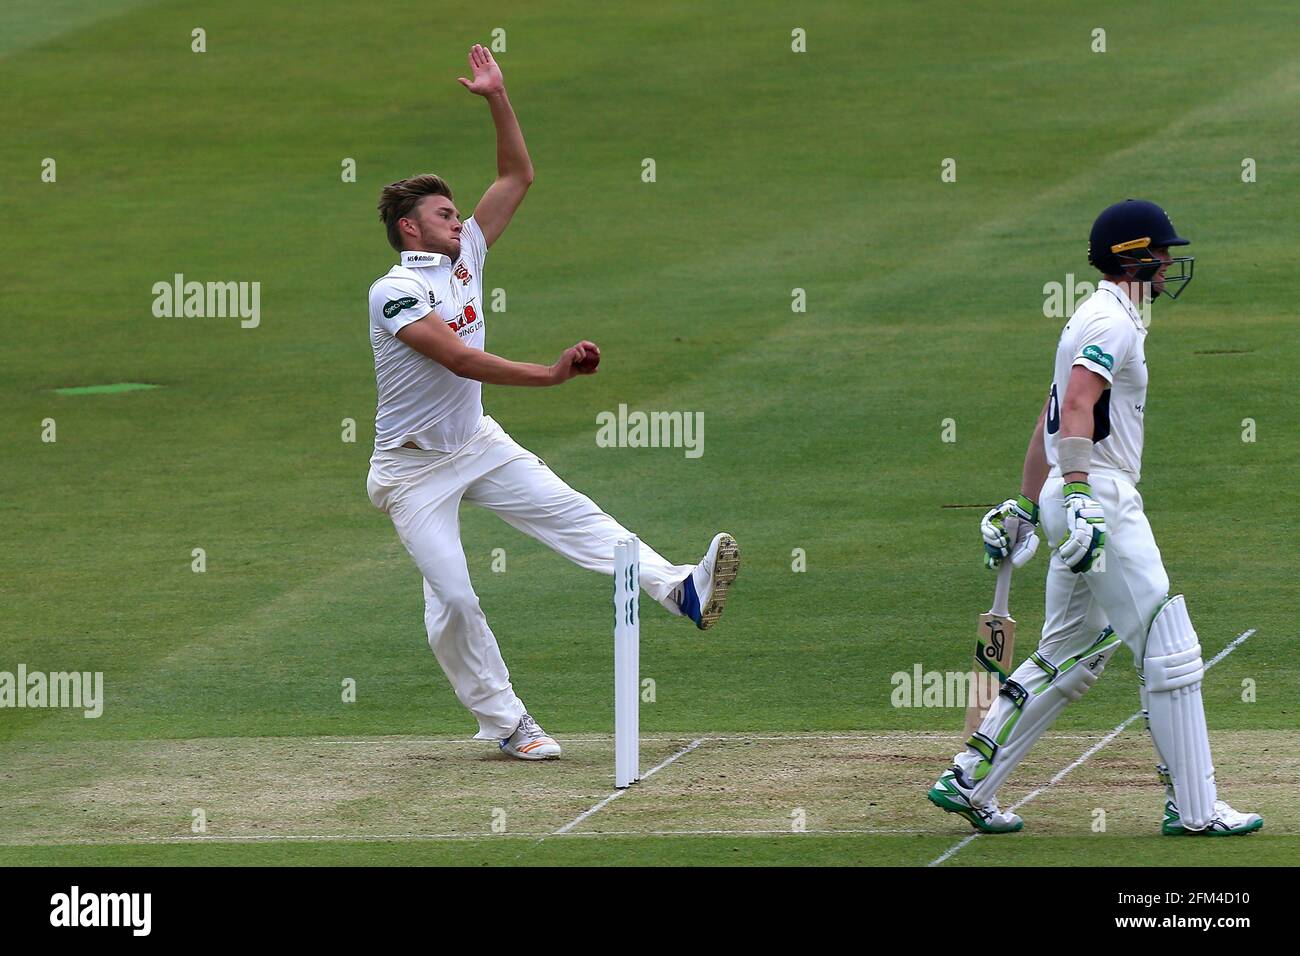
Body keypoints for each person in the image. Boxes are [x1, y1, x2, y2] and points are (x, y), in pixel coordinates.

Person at [366, 45, 739, 761]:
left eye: (456, 213)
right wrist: (553, 375)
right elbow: (459, 356)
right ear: (411, 229)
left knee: (576, 515)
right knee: (456, 600)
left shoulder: (466, 255)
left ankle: (679, 592)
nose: (458, 220)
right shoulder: (394, 290)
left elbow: (516, 175)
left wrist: (497, 96)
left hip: (476, 443)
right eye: (444, 214)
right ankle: (506, 722)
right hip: (411, 471)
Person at [928, 199, 1262, 836]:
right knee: (1169, 646)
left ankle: (969, 778)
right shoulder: (1114, 323)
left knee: (1071, 653)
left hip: (1070, 488)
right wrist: (1080, 493)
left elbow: (1050, 414)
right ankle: (1196, 810)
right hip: (1099, 493)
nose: (1169, 263)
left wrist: (1031, 502)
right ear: (1135, 257)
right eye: (1161, 253)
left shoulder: (1091, 315)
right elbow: (1076, 401)